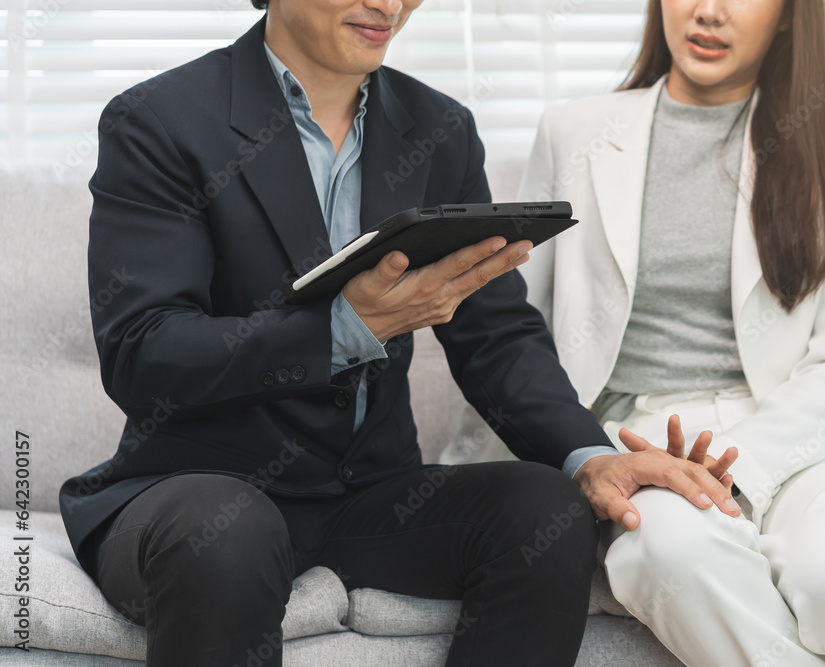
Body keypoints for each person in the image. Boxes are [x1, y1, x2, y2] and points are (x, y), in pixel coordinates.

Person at [58, 1, 740, 665]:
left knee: (546, 510)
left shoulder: (439, 128)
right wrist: (342, 329)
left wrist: (590, 457)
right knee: (231, 535)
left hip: (367, 493)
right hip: (200, 491)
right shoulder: (160, 121)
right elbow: (145, 352)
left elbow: (495, 337)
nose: (388, 4)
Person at [513, 0, 825, 664]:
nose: (708, 12)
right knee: (669, 553)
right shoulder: (573, 133)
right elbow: (518, 332)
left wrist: (739, 470)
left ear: (789, 16)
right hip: (640, 439)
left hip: (809, 438)